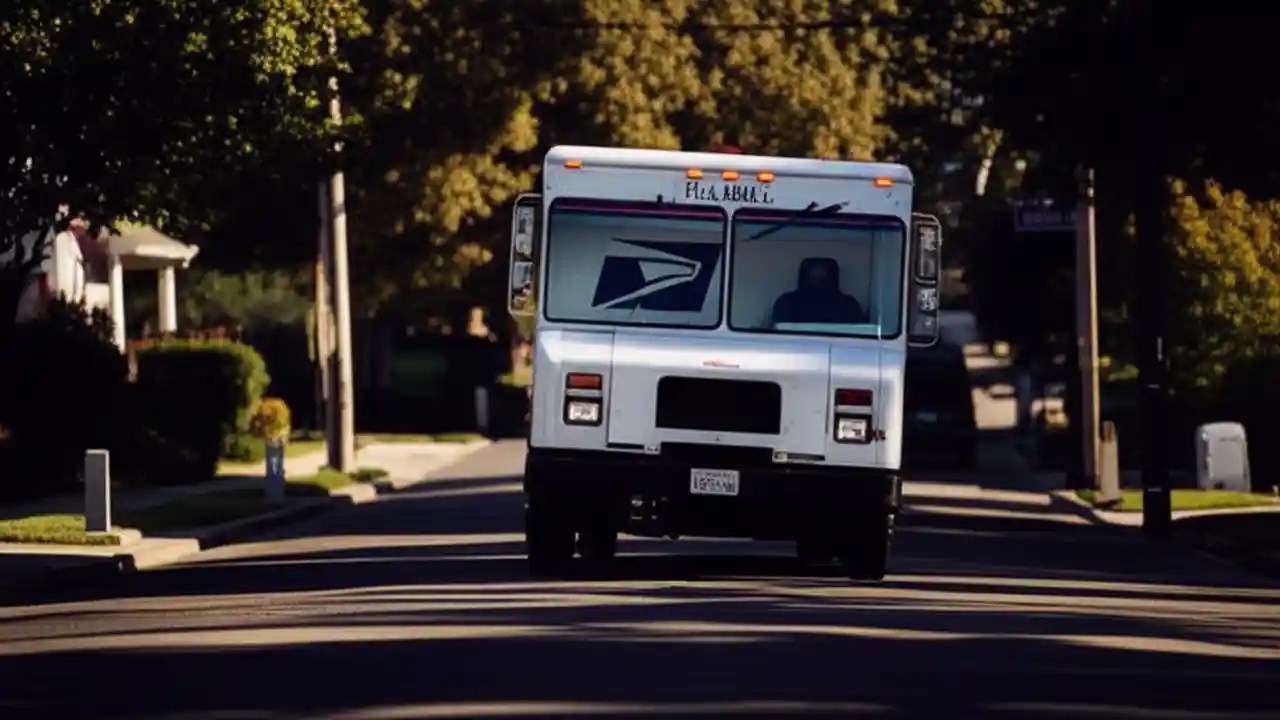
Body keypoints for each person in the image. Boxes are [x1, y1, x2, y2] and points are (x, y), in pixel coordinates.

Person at [770, 257, 866, 325]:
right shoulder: (787, 303)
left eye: (821, 274)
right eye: (814, 275)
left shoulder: (849, 306)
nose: (817, 278)